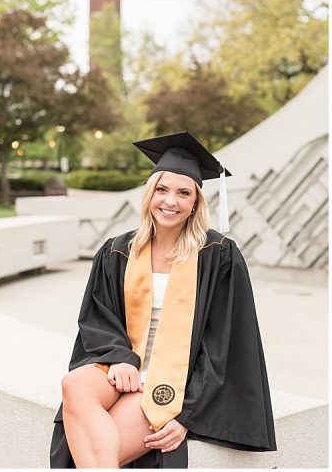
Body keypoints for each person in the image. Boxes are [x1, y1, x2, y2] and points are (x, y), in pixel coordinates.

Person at [50, 131, 276, 468]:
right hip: (123, 369)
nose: (170, 202)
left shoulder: (218, 256)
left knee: (92, 457)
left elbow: (224, 342)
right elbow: (97, 318)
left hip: (172, 382)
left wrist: (187, 416)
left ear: (196, 203)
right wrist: (119, 357)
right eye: (162, 190)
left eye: (183, 193)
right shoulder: (117, 251)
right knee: (74, 384)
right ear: (149, 194)